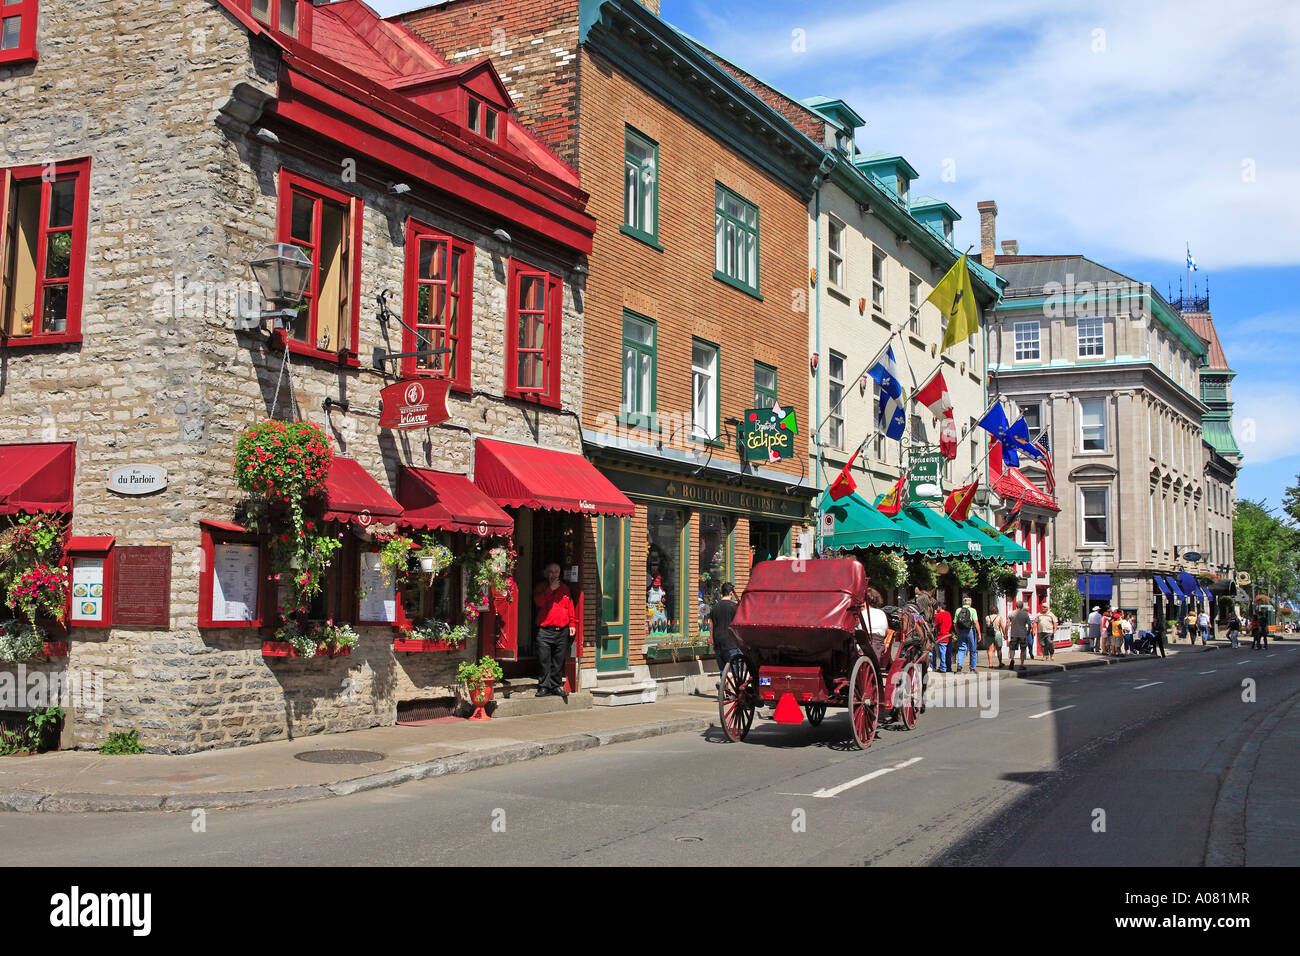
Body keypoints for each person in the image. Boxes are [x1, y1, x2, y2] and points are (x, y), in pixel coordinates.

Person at [533, 562, 576, 699]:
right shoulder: (541, 587)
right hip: (545, 630)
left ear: (560, 573)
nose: (553, 574)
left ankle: (556, 686)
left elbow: (570, 607)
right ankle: (544, 687)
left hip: (561, 630)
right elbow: (538, 602)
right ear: (547, 573)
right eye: (551, 572)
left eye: (556, 572)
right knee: (544, 660)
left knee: (558, 661)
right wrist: (550, 589)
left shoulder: (565, 589)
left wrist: (572, 624)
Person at [708, 582, 740, 675]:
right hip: (731, 644)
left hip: (718, 644)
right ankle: (726, 679)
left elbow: (711, 626)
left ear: (722, 593)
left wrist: (712, 641)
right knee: (736, 670)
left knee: (723, 671)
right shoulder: (734, 607)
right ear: (731, 593)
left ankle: (723, 681)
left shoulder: (714, 608)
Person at [953, 596, 981, 673]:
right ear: (970, 603)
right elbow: (976, 622)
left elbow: (954, 623)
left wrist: (957, 632)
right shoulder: (973, 610)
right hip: (970, 631)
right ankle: (972, 668)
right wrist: (979, 633)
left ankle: (959, 665)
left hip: (961, 631)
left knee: (961, 649)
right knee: (973, 650)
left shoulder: (958, 610)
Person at [1007, 600, 1031, 669]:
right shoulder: (1025, 614)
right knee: (1023, 649)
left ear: (1016, 606)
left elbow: (1008, 624)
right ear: (1022, 606)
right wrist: (1028, 632)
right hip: (1022, 633)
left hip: (1014, 633)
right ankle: (1021, 664)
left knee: (1012, 648)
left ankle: (1012, 659)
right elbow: (1029, 625)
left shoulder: (1011, 614)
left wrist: (1005, 633)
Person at [933, 602, 954, 673]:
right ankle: (949, 668)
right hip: (949, 636)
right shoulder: (948, 614)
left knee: (942, 654)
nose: (936, 609)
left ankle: (943, 668)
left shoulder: (939, 615)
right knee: (948, 654)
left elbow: (934, 625)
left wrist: (935, 615)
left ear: (940, 607)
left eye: (936, 607)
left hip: (942, 637)